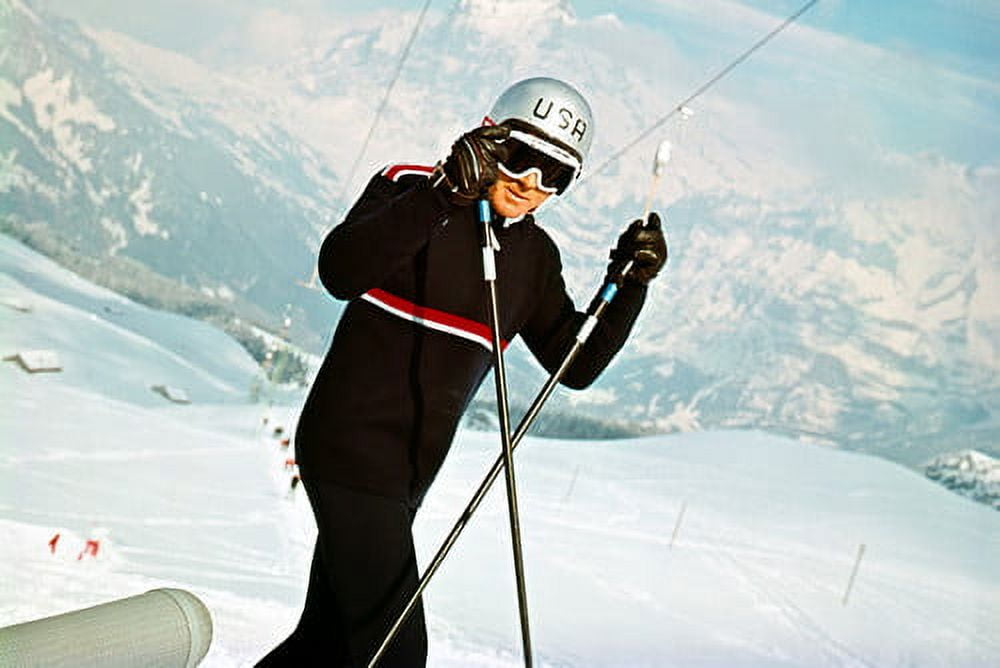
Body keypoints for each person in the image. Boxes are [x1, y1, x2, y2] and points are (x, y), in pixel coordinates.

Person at [257, 77, 667, 667]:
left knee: (327, 644)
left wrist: (629, 286)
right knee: (396, 653)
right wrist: (445, 192)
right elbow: (340, 271)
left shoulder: (534, 258)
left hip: (407, 480)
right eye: (524, 160)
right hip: (347, 453)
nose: (532, 185)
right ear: (490, 138)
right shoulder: (409, 190)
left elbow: (572, 367)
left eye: (556, 175)